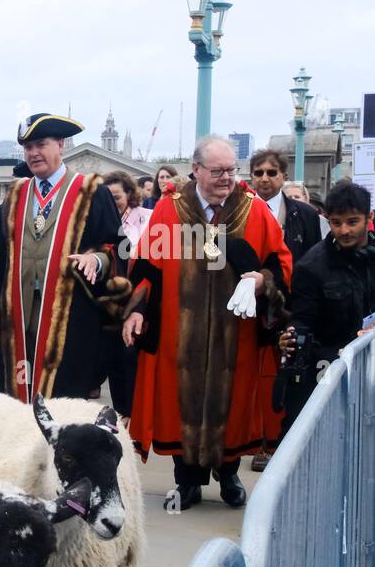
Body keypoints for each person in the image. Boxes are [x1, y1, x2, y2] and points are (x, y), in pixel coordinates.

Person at [123, 136, 292, 510]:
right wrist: (136, 309)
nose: (227, 178)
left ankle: (228, 474)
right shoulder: (170, 211)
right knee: (179, 404)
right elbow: (147, 267)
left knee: (231, 406)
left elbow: (280, 263)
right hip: (178, 336)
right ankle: (186, 483)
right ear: (196, 170)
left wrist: (262, 281)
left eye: (231, 170)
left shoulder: (254, 211)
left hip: (238, 336)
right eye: (217, 171)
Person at [0, 113, 124, 402]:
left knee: (63, 402)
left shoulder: (91, 191)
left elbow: (117, 247)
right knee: (17, 395)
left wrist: (96, 261)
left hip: (69, 319)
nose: (33, 153)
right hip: (18, 317)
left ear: (61, 144)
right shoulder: (16, 195)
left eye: (40, 144)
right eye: (28, 147)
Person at [277, 180, 375, 436]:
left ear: (369, 218)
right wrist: (291, 338)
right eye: (335, 222)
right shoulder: (311, 267)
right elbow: (302, 321)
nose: (344, 230)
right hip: (330, 373)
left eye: (352, 222)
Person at [246, 149, 323, 470]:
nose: (265, 178)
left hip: (292, 308)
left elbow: (315, 261)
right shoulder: (239, 212)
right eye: (259, 172)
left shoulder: (303, 215)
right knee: (254, 378)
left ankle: (281, 440)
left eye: (271, 172)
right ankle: (259, 442)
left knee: (288, 374)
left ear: (283, 176)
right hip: (249, 308)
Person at [98, 171, 150, 417]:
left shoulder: (147, 219)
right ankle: (123, 414)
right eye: (107, 196)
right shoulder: (99, 220)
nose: (112, 201)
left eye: (117, 196)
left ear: (129, 195)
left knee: (133, 357)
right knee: (115, 359)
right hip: (111, 304)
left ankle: (137, 413)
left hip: (141, 300)